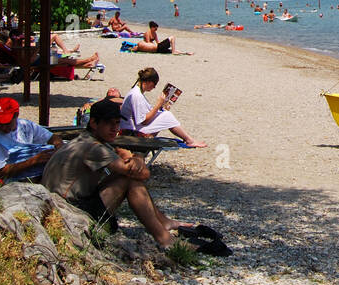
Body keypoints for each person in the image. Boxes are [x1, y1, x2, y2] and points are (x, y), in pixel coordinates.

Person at [42, 99, 215, 251]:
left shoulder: (82, 140)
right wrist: (138, 156)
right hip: (69, 214)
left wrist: (130, 158)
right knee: (129, 180)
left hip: (57, 207)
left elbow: (129, 166)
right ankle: (165, 239)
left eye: (117, 123)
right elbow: (142, 174)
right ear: (94, 123)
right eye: (109, 124)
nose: (115, 129)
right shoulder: (95, 148)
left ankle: (165, 223)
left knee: (124, 176)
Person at [0, 97, 64, 182]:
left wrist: (59, 150)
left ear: (16, 115)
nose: (3, 127)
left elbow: (53, 138)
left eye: (7, 123)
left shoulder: (25, 125)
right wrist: (33, 161)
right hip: (13, 182)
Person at [119, 67, 206, 147]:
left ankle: (189, 139)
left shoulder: (136, 92)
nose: (154, 87)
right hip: (130, 132)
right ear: (148, 82)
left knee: (164, 114)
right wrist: (158, 105)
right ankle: (189, 140)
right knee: (167, 116)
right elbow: (144, 121)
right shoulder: (136, 95)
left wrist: (161, 108)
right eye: (154, 84)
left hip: (132, 127)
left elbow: (145, 115)